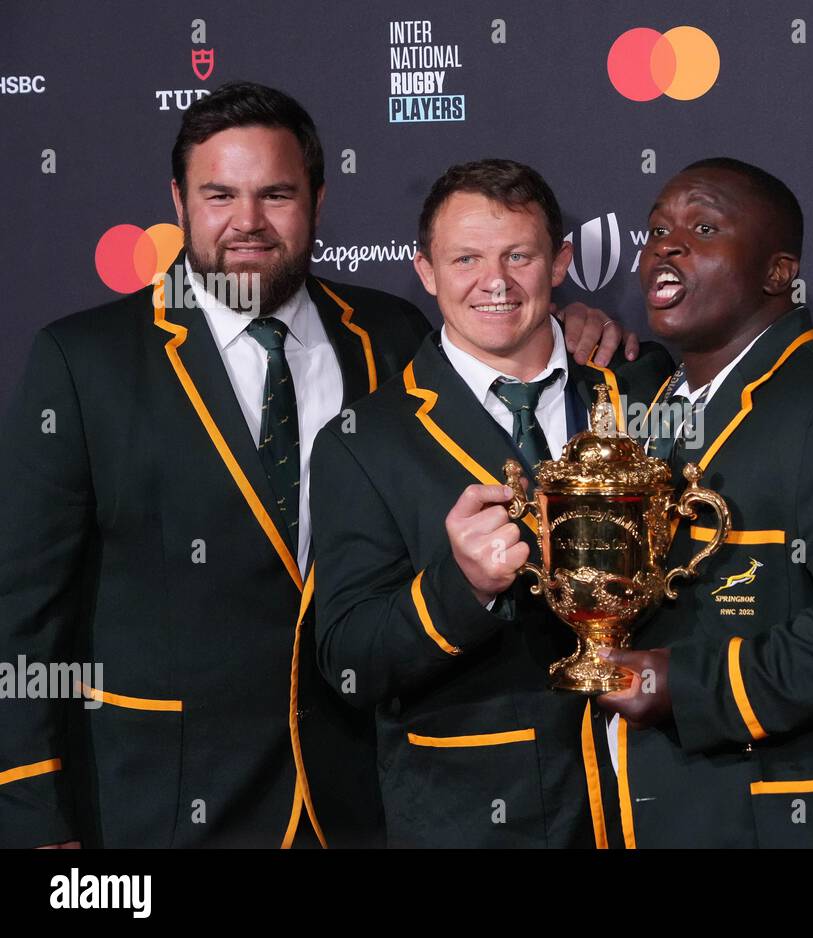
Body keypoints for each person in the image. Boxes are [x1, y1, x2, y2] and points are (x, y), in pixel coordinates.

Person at [0, 83, 626, 849]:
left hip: (363, 791)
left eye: (277, 194)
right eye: (220, 194)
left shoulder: (389, 333)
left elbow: (500, 348)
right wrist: (31, 810)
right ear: (178, 200)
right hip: (164, 794)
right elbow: (22, 605)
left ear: (319, 202)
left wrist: (573, 322)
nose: (248, 222)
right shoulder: (85, 360)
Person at [593, 158, 813, 847]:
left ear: (777, 272)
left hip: (803, 817)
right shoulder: (639, 404)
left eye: (703, 227)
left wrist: (691, 683)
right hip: (659, 810)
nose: (666, 245)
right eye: (657, 229)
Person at [309, 159, 673, 847]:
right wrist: (462, 588)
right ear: (425, 272)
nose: (495, 282)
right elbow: (348, 660)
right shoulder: (364, 442)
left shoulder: (644, 395)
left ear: (562, 261)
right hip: (475, 816)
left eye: (519, 256)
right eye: (466, 258)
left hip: (652, 799)